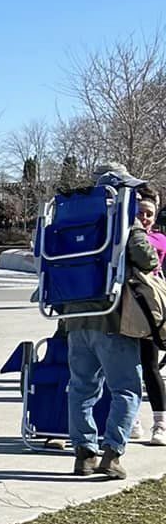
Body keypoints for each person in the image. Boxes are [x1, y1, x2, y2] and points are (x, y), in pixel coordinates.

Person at [64, 167, 156, 479]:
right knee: (127, 389)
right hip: (113, 317)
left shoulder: (71, 219)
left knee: (81, 388)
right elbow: (148, 259)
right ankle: (112, 454)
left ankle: (84, 454)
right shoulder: (122, 220)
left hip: (75, 318)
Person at [127, 185, 166, 447]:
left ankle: (160, 424)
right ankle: (132, 421)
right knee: (127, 369)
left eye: (150, 214)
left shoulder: (158, 240)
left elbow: (151, 263)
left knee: (150, 367)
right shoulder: (123, 235)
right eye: (140, 212)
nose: (145, 217)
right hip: (125, 308)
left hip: (148, 308)